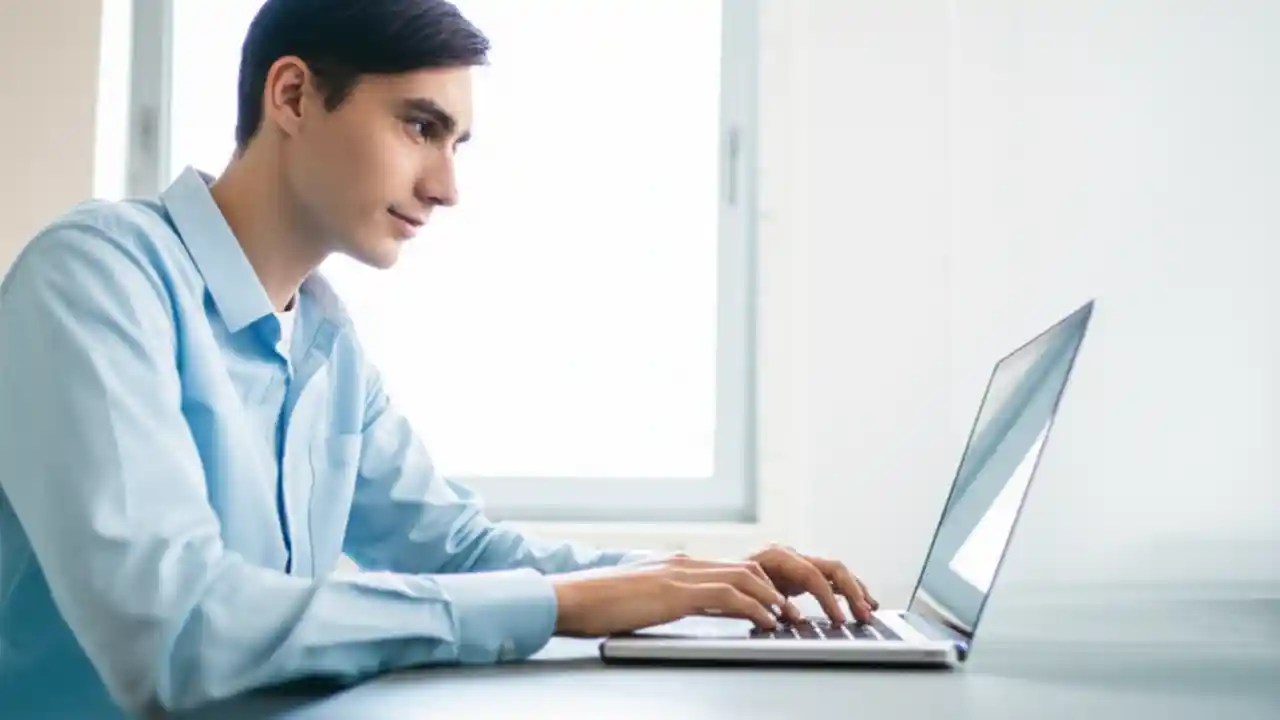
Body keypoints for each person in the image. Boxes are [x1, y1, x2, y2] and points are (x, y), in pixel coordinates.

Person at [0, 0, 876, 716]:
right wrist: (561, 605)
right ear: (294, 96)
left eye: (455, 145)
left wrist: (680, 581)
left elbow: (456, 549)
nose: (446, 187)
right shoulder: (95, 276)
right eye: (421, 126)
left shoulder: (324, 340)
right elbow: (173, 628)